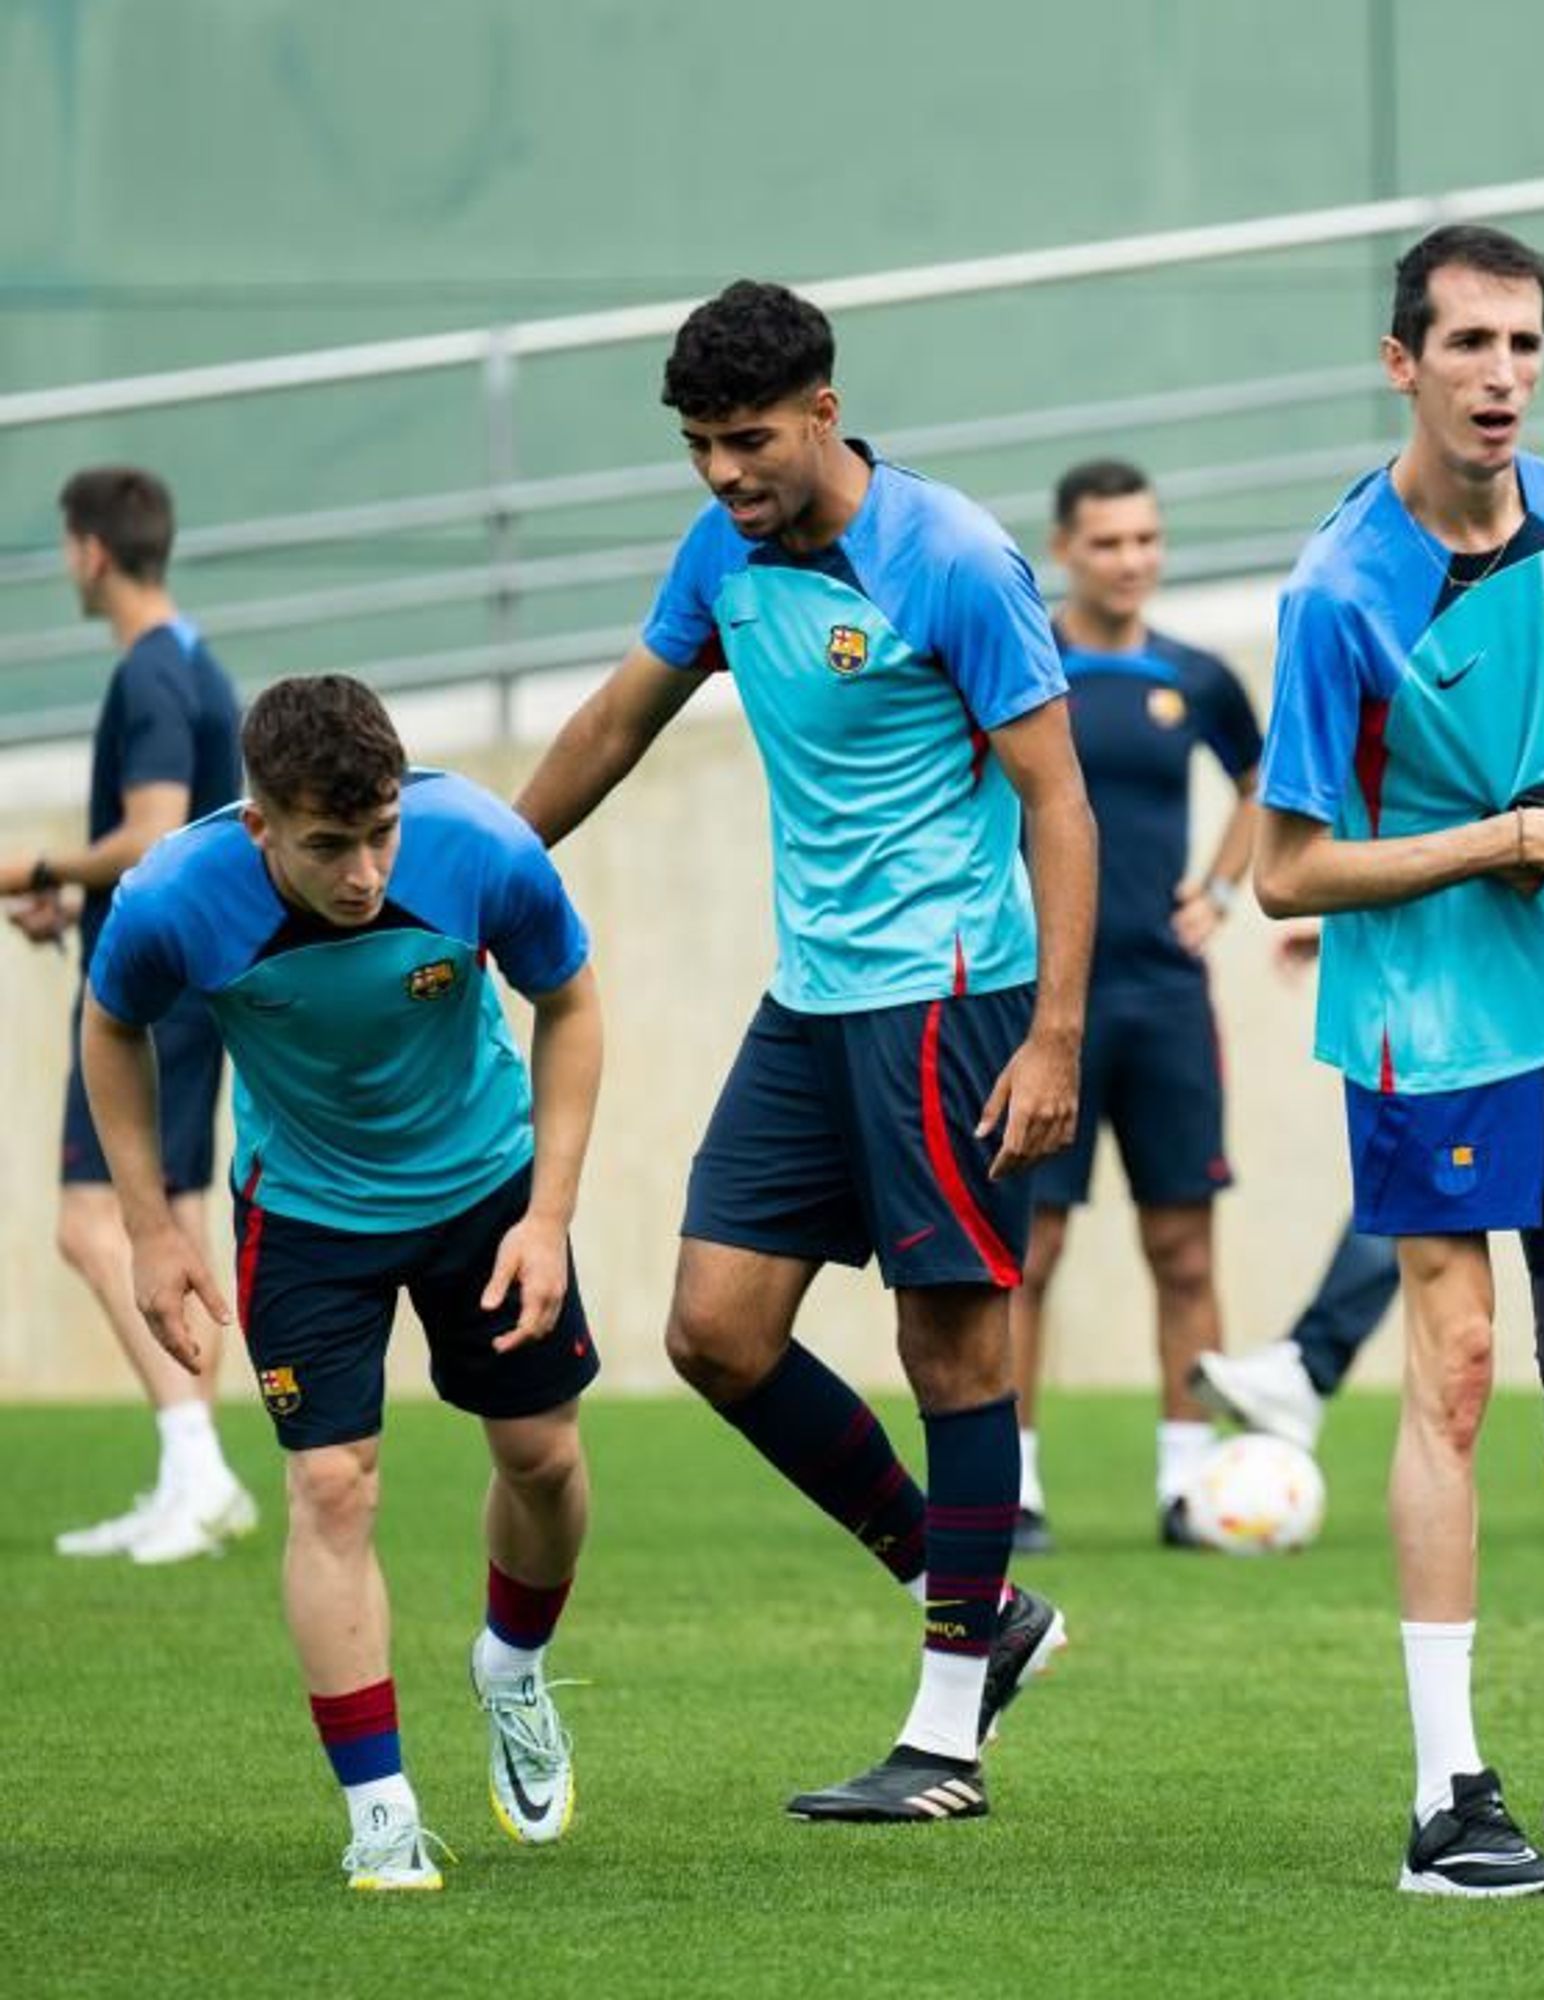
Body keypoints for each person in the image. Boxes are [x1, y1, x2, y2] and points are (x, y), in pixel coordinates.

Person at [512, 279, 1094, 1821]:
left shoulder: (950, 558)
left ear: (824, 411)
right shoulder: (722, 553)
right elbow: (614, 724)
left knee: (950, 1349)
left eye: (749, 440)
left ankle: (947, 1740)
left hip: (951, 998)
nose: (724, 472)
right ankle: (981, 1608)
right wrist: (481, 871)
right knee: (716, 1331)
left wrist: (1054, 1036)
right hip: (815, 996)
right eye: (700, 446)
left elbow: (1059, 800)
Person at [1252, 224, 1544, 1896]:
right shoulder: (1336, 592)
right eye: (1469, 345)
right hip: (1418, 1034)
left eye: (1524, 344)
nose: (1502, 376)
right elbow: (1287, 871)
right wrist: (1511, 836)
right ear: (1401, 363)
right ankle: (1448, 1796)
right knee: (1462, 1369)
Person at [79, 674, 603, 1891]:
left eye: (380, 833)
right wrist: (150, 1228)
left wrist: (549, 1217)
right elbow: (111, 1026)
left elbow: (571, 1002)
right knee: (330, 1483)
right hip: (308, 1213)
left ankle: (513, 1664)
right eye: (328, 845)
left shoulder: (481, 845)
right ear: (260, 823)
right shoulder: (173, 896)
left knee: (542, 1459)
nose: (364, 872)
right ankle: (380, 1810)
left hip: (486, 1188)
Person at [1197, 491, 1544, 1557]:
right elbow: (1408, 829)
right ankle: (1306, 1366)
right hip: (1467, 1000)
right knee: (1445, 1276)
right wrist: (1362, 923)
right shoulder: (1408, 624)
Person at [1008, 459, 1262, 1554]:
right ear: (1063, 547)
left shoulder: (1194, 675)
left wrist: (1220, 891)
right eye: (1108, 541)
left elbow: (1263, 780)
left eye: (1146, 539)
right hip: (1039, 1002)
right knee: (1029, 1250)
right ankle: (1009, 1486)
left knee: (1184, 1251)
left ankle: (1190, 1485)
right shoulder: (1021, 664)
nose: (1131, 560)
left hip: (1164, 999)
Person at [10, 467, 254, 1564]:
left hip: (149, 992)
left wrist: (37, 866)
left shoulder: (150, 672)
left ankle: (197, 1464)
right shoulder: (194, 660)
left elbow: (153, 830)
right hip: (189, 979)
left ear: (92, 551)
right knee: (178, 1221)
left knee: (88, 1220)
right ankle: (192, 1478)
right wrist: (74, 899)